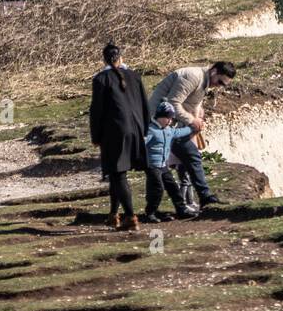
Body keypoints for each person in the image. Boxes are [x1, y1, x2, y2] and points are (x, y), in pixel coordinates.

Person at [147, 61, 235, 207]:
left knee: (180, 163)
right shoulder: (193, 76)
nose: (220, 86)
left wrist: (198, 112)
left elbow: (191, 100)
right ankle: (202, 197)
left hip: (172, 124)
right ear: (214, 71)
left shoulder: (204, 80)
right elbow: (173, 102)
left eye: (223, 85)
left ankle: (187, 202)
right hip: (161, 124)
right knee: (190, 157)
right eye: (220, 82)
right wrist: (192, 120)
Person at [89, 43, 149, 232]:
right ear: (121, 57)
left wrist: (96, 135)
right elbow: (144, 104)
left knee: (117, 173)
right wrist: (144, 129)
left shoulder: (101, 79)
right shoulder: (134, 76)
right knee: (116, 173)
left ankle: (130, 216)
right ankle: (113, 215)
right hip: (136, 128)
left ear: (104, 59)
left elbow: (96, 111)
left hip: (115, 132)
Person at [143, 101, 198, 223]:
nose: (169, 121)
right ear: (159, 116)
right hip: (152, 165)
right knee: (157, 189)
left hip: (163, 165)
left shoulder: (168, 129)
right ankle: (150, 213)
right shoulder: (151, 130)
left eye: (171, 119)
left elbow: (178, 132)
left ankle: (181, 209)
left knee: (173, 187)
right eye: (167, 118)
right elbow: (140, 145)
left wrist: (191, 128)